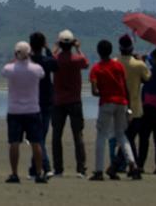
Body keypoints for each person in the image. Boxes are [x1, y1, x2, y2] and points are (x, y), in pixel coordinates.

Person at [89, 39, 140, 181]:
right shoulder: (118, 66)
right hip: (122, 102)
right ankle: (133, 165)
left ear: (99, 52)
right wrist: (129, 107)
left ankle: (99, 170)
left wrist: (103, 92)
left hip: (106, 103)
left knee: (101, 135)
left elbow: (94, 91)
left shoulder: (96, 69)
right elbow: (125, 87)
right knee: (121, 135)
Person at [2, 41, 47, 184]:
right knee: (36, 143)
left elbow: (4, 72)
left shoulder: (9, 68)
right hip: (32, 109)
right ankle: (39, 173)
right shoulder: (36, 69)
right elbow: (42, 75)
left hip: (15, 110)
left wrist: (15, 60)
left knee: (14, 142)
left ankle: (14, 173)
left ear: (16, 53)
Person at [50, 29, 89, 177]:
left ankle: (58, 169)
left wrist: (56, 47)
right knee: (78, 135)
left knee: (56, 136)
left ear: (60, 44)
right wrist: (78, 48)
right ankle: (81, 169)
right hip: (74, 101)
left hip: (58, 101)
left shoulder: (56, 60)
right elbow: (86, 63)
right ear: (72, 44)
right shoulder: (76, 60)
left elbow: (50, 58)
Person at [116, 34, 150, 170]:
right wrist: (141, 61)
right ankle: (130, 166)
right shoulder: (139, 65)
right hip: (135, 108)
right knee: (129, 138)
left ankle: (127, 165)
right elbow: (147, 78)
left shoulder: (114, 62)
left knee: (127, 138)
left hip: (118, 106)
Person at [27, 32, 57, 178]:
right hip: (46, 101)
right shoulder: (46, 61)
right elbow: (56, 64)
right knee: (40, 137)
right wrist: (49, 49)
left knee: (37, 138)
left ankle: (43, 167)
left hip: (33, 101)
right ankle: (37, 168)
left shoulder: (29, 61)